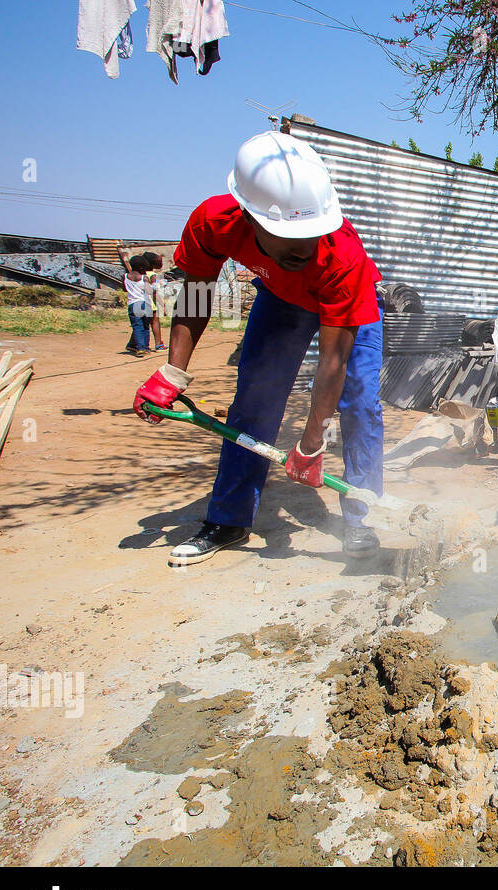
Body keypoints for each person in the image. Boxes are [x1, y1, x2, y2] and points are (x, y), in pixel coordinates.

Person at [133, 130, 387, 565]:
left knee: (360, 402)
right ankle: (229, 520)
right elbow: (196, 293)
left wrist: (311, 443)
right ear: (249, 216)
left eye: (312, 233)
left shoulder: (341, 254)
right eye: (287, 235)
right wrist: (172, 372)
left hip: (347, 307)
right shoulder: (213, 221)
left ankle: (360, 519)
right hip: (282, 300)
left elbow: (332, 361)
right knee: (254, 400)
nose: (303, 247)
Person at [123, 255, 152, 357]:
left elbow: (124, 288)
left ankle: (139, 348)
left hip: (132, 304)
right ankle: (145, 347)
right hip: (144, 304)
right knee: (145, 327)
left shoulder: (126, 276)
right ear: (142, 267)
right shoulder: (144, 278)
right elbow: (149, 291)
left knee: (137, 326)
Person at [144, 251, 167, 351]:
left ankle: (139, 344)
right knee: (155, 322)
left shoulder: (141, 274)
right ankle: (158, 344)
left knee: (142, 324)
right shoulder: (152, 275)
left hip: (141, 303)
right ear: (153, 264)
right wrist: (161, 304)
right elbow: (154, 292)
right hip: (151, 303)